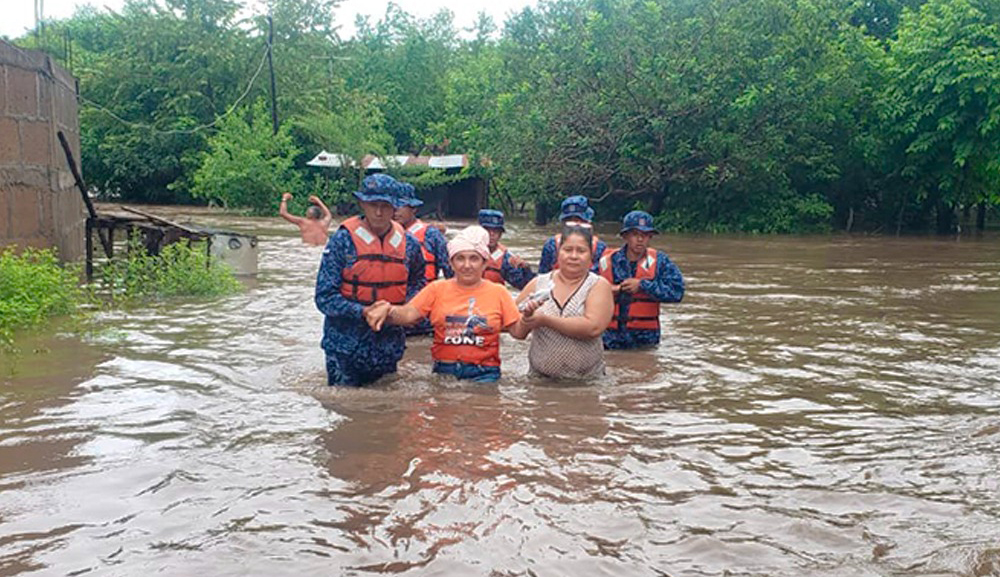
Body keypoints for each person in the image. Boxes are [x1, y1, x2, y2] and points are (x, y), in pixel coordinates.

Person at [366, 226, 525, 383]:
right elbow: (408, 314)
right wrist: (387, 309)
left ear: (484, 263)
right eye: (460, 258)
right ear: (451, 263)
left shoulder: (499, 292)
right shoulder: (436, 289)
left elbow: (518, 332)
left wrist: (529, 318)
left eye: (474, 258)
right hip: (444, 371)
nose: (467, 265)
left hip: (485, 374)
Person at [314, 173, 427, 386]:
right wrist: (364, 311)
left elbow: (419, 285)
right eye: (373, 205)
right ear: (362, 204)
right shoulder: (342, 241)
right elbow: (324, 297)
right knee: (342, 403)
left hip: (388, 345)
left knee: (388, 403)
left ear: (395, 207)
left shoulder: (410, 245)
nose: (378, 212)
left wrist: (395, 310)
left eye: (385, 206)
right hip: (345, 347)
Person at [511, 224, 613, 379]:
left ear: (591, 256)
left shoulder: (598, 285)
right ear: (558, 253)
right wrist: (527, 319)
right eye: (568, 250)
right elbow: (516, 331)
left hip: (587, 383)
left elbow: (593, 328)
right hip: (539, 381)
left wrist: (545, 320)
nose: (574, 256)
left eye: (581, 251)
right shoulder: (538, 284)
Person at [599, 211, 685, 350]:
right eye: (635, 234)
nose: (640, 239)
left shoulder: (661, 261)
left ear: (650, 237)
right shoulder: (606, 261)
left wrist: (643, 285)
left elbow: (677, 293)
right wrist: (606, 290)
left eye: (645, 235)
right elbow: (584, 289)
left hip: (645, 339)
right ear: (625, 236)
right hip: (610, 338)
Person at [393, 181, 452, 336]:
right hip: (392, 317)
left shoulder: (431, 235)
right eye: (392, 205)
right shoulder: (384, 235)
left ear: (413, 208)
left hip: (423, 317)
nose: (395, 211)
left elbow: (451, 273)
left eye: (401, 206)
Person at [537, 195, 607, 274]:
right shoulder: (551, 245)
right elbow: (542, 274)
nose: (576, 226)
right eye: (570, 221)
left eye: (580, 221)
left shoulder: (600, 247)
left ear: (588, 222)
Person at [477, 209, 535, 290]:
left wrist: (525, 269)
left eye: (496, 231)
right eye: (487, 230)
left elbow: (523, 285)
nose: (491, 235)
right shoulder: (467, 251)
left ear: (500, 234)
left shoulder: (505, 258)